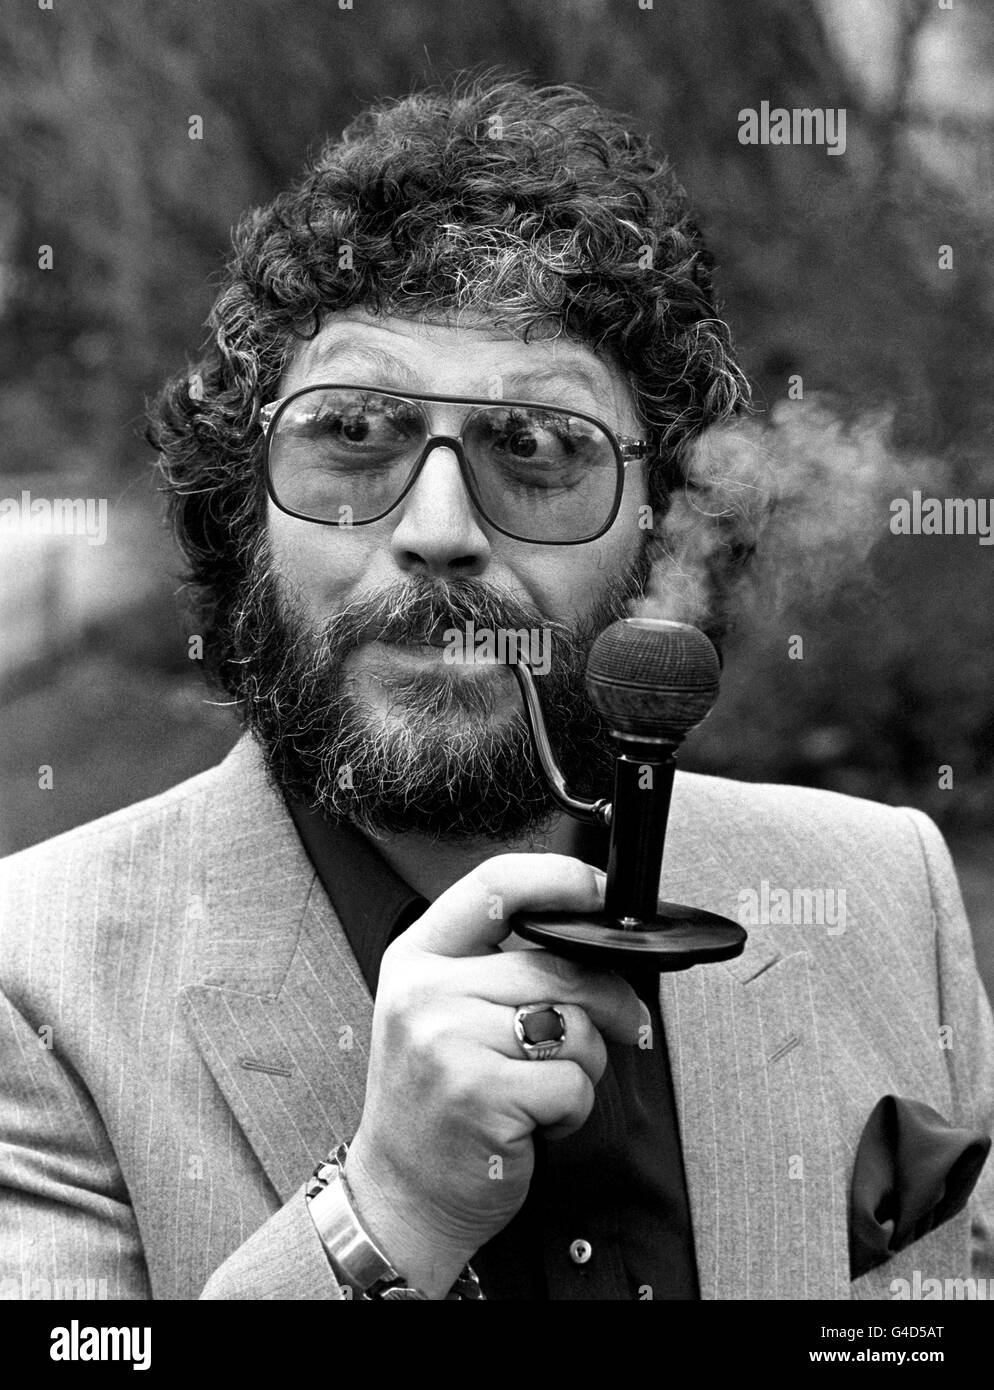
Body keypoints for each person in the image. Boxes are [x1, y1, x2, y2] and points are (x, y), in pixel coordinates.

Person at [1, 75, 991, 1303]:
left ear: (664, 529)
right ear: (240, 507)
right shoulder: (31, 978)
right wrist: (386, 1213)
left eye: (536, 449)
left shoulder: (884, 894)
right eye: (353, 431)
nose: (437, 528)